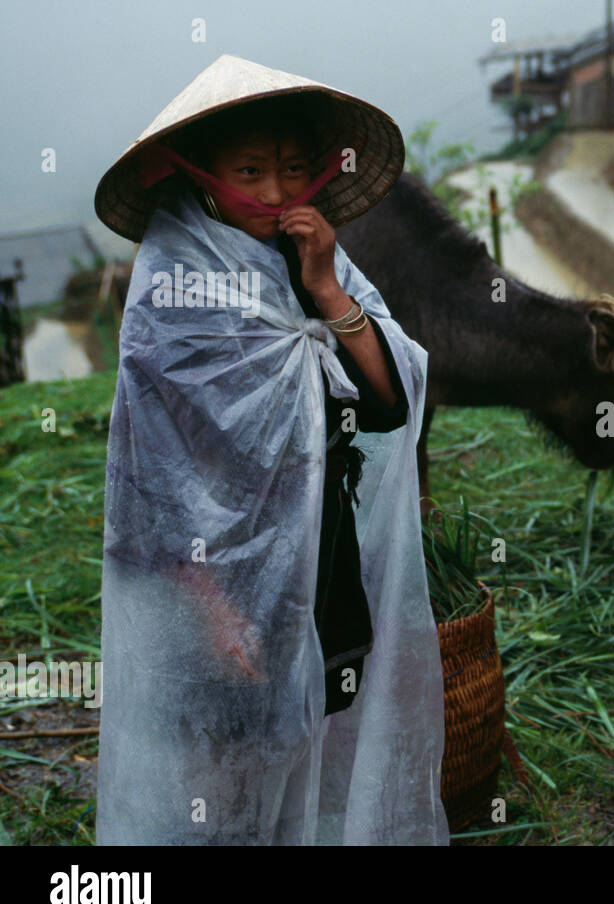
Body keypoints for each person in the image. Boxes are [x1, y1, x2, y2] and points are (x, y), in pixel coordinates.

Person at [93, 54, 449, 844]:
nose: (279, 192)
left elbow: (390, 404)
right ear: (197, 174)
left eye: (293, 168)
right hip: (203, 583)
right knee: (217, 759)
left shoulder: (316, 260)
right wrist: (221, 610)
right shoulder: (172, 289)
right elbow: (152, 485)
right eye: (249, 169)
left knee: (306, 727)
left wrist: (326, 291)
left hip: (316, 557)